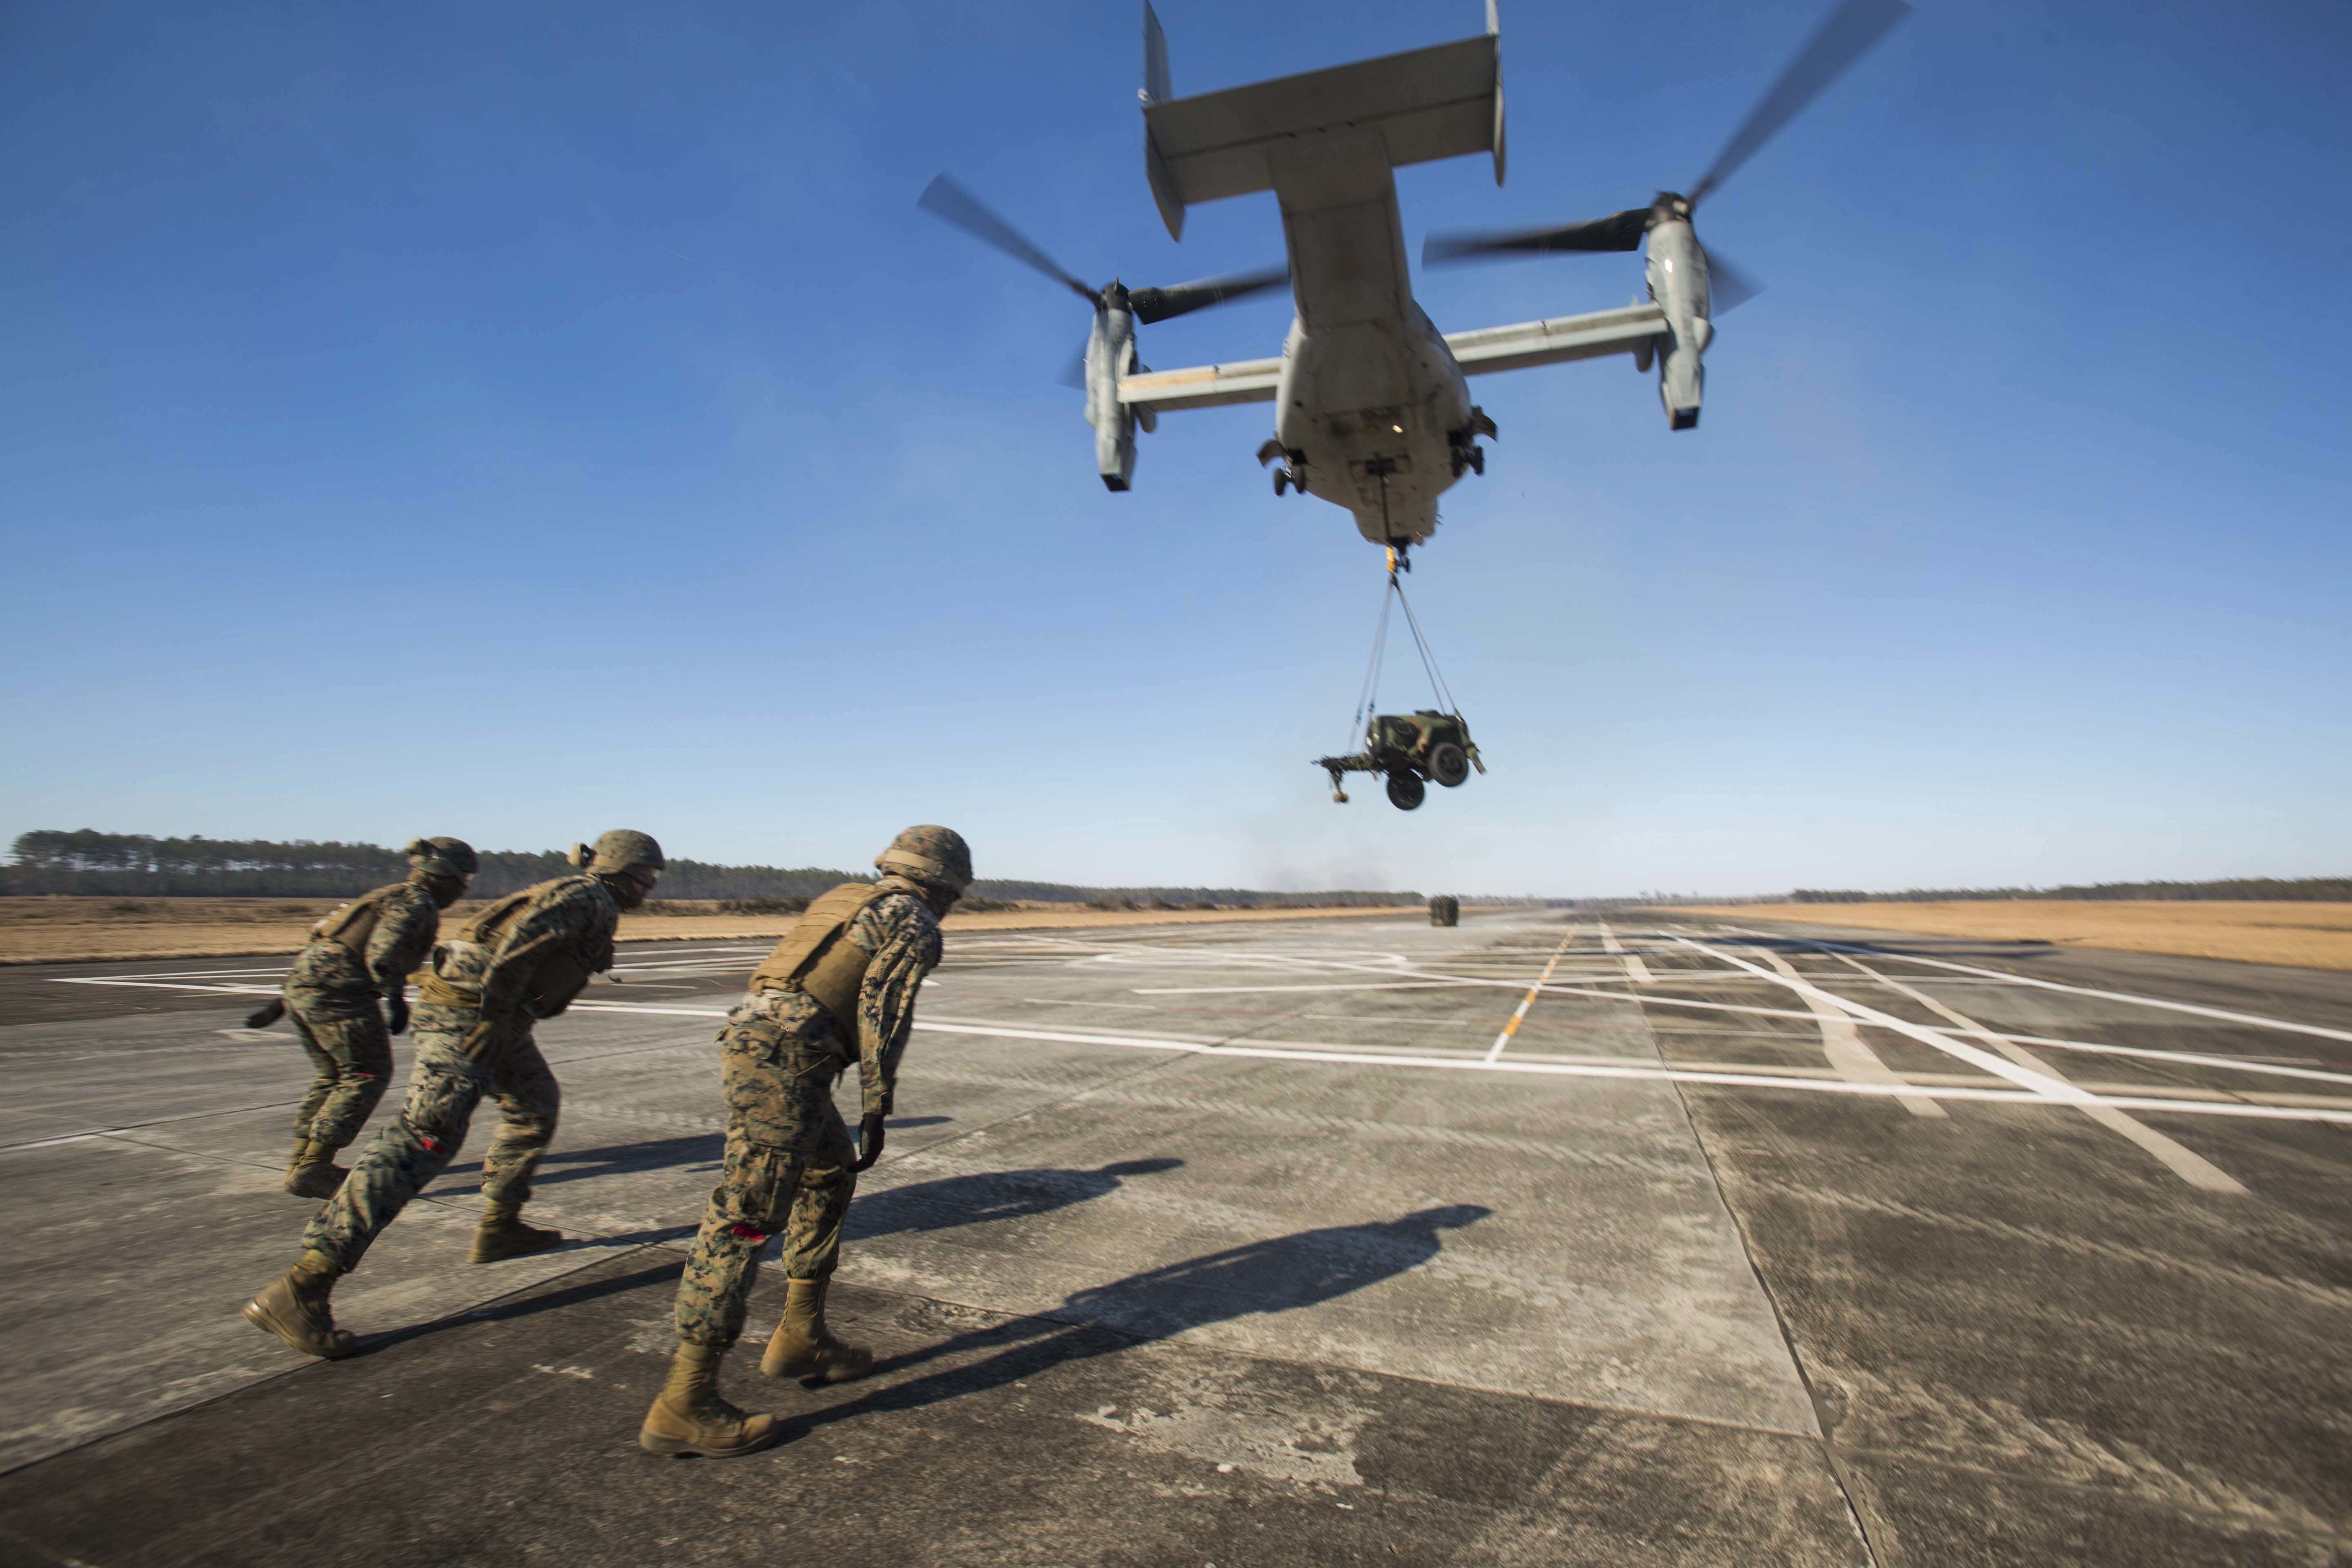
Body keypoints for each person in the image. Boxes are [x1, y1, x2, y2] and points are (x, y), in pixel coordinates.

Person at [243, 829, 664, 1359]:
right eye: (645, 877)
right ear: (620, 871)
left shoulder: (589, 898)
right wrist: (492, 1019)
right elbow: (516, 948)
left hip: (495, 1018)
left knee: (535, 1106)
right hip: (473, 1018)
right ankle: (303, 1286)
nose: (649, 887)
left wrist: (502, 1019)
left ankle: (501, 1226)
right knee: (423, 1140)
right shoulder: (586, 895)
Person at [638, 825, 969, 1459]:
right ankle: (685, 1400)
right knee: (745, 1218)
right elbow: (884, 1017)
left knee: (829, 1174)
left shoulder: (847, 899)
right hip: (788, 1062)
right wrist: (876, 1105)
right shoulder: (916, 921)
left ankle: (802, 1336)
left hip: (764, 1049)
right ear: (946, 883)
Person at [247, 837, 477, 1198]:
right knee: (365, 1075)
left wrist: (281, 1003)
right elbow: (384, 951)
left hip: (307, 989)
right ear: (445, 875)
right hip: (341, 996)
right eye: (464, 879)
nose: (464, 889)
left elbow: (326, 942)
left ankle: (301, 1163)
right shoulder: (417, 903)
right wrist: (395, 996)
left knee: (333, 1076)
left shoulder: (386, 895)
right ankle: (314, 1167)